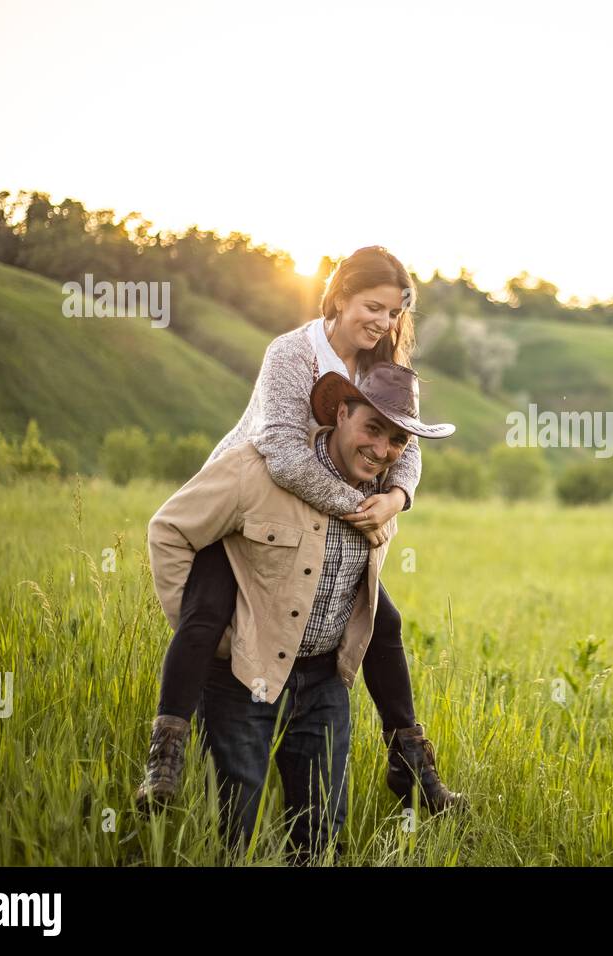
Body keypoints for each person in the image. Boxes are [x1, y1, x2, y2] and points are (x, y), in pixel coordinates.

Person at [135, 246, 460, 815]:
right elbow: (283, 453)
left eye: (394, 312)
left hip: (320, 516)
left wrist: (394, 498)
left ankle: (411, 758)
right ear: (339, 296)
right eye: (373, 306)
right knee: (208, 612)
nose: (383, 322)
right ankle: (167, 746)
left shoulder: (380, 364)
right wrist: (354, 507)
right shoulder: (293, 352)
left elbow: (404, 443)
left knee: (381, 620)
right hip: (248, 508)